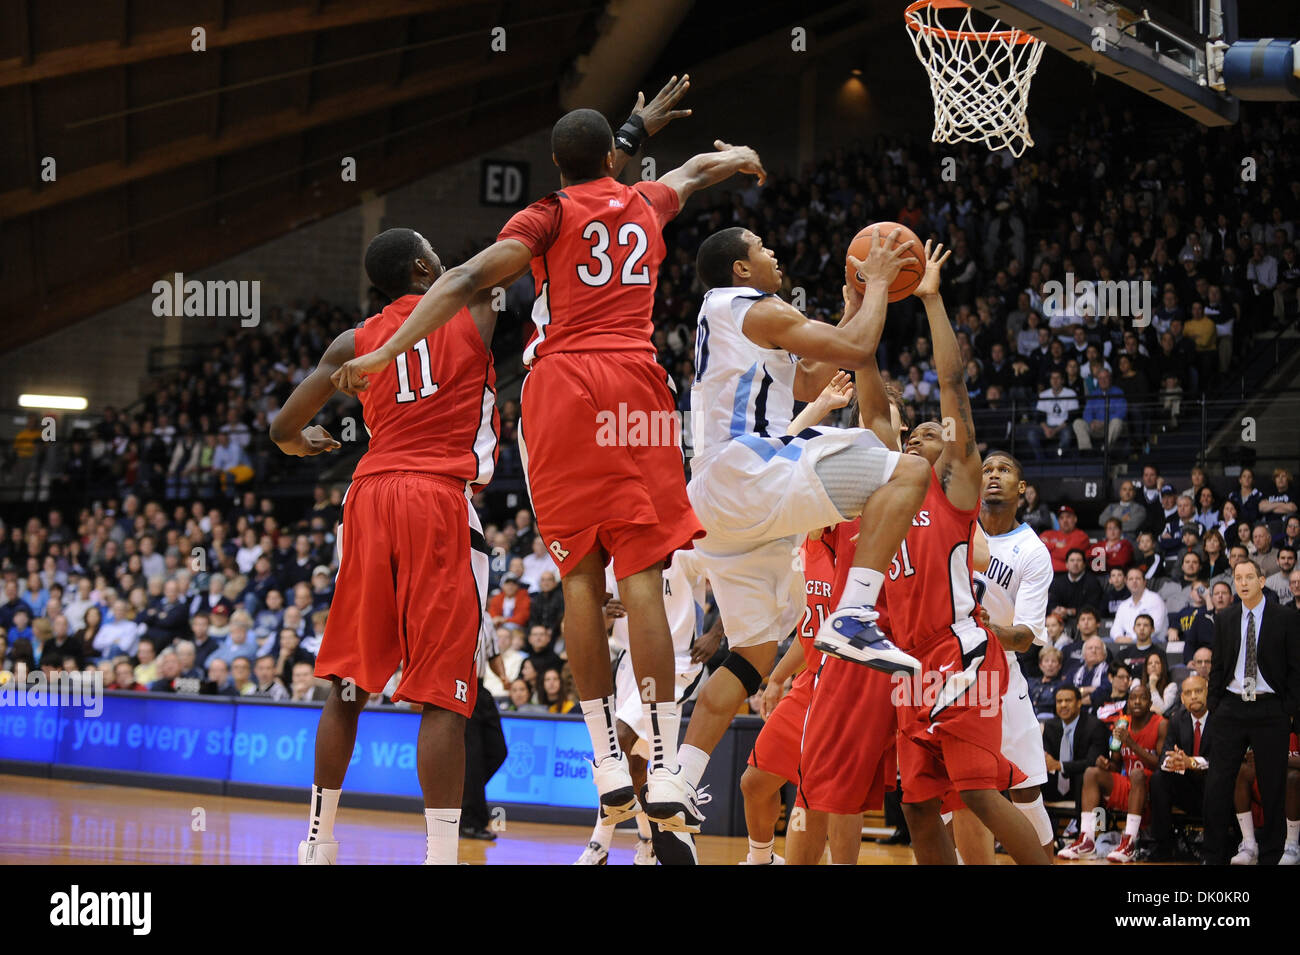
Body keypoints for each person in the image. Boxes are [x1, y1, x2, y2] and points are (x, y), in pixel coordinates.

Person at [332, 93, 763, 831]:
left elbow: (465, 280)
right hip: (638, 387)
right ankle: (660, 764)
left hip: (564, 389)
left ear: (556, 166)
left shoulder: (544, 215)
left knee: (580, 578)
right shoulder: (646, 199)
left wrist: (384, 350)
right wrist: (739, 160)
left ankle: (603, 757)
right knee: (646, 583)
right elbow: (693, 171)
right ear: (610, 158)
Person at [665, 228, 935, 834]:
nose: (776, 255)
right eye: (764, 250)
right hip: (746, 473)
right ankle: (855, 613)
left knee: (753, 653)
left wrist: (848, 309)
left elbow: (813, 379)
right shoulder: (752, 306)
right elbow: (859, 349)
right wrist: (880, 288)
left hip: (719, 504)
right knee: (909, 470)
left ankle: (679, 777)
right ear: (741, 267)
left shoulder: (736, 322)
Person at [271, 228, 503, 866]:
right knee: (443, 693)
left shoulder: (354, 342)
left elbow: (281, 426)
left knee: (349, 678)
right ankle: (439, 854)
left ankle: (318, 841)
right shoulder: (476, 307)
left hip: (368, 495)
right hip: (436, 496)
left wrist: (303, 443)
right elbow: (498, 261)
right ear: (429, 265)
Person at [864, 241, 1046, 866]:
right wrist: (863, 302)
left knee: (979, 792)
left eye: (937, 430)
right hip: (910, 669)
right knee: (916, 805)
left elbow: (952, 382)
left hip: (962, 656)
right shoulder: (885, 491)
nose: (928, 432)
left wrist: (932, 299)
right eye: (917, 432)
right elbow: (868, 397)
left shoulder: (956, 488)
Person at [575, 550, 714, 866]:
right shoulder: (616, 555)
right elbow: (600, 603)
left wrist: (715, 633)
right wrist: (603, 608)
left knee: (618, 744)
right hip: (629, 661)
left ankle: (599, 846)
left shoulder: (684, 550)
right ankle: (649, 843)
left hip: (676, 662)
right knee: (636, 763)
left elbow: (726, 577)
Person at [956, 450, 1057, 864]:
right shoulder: (955, 528)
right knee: (954, 789)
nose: (993, 475)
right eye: (986, 469)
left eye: (1004, 470)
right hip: (947, 670)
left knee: (1026, 788)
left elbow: (1026, 636)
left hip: (999, 672)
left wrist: (986, 629)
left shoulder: (1032, 551)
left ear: (1022, 488)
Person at [1203, 559, 1300, 866]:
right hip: (1230, 707)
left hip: (1270, 708)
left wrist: (1289, 709)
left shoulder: (1285, 617)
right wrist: (1214, 704)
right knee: (1218, 783)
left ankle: (1272, 855)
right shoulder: (1226, 617)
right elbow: (1218, 664)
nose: (1242, 583)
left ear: (1262, 580)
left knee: (1272, 785)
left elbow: (1296, 668)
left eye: (1249, 577)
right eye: (1237, 578)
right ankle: (1213, 855)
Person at [1058, 683, 1166, 862]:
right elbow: (1116, 763)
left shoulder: (1161, 724)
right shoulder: (1122, 723)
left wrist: (1132, 744)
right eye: (1133, 698)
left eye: (1143, 698)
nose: (1137, 702)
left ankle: (1130, 841)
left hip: (1152, 789)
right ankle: (1087, 838)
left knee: (1137, 774)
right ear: (1128, 702)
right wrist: (1107, 765)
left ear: (1150, 702)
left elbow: (1162, 765)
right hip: (1130, 786)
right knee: (1092, 773)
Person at [1150, 674, 1212, 861]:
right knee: (1159, 778)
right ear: (1182, 698)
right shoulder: (1178, 719)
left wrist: (1191, 762)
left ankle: (1215, 848)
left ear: (1208, 693)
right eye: (1188, 693)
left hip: (1215, 788)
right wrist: (1173, 762)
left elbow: (1224, 759)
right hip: (1188, 789)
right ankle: (1164, 845)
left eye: (1198, 691)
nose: (1193, 696)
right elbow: (1165, 753)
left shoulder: (1221, 717)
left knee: (1218, 778)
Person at [1231, 732, 1300, 865]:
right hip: (1270, 781)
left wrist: (1273, 759)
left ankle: (1292, 846)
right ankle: (1249, 845)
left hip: (1292, 787)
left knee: (1293, 778)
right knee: (1242, 771)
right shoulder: (1262, 721)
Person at [1042, 684, 1110, 812]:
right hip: (1056, 783)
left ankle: (1089, 829)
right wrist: (1049, 763)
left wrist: (1060, 765)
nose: (1063, 705)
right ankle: (1037, 830)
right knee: (1025, 780)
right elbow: (1048, 759)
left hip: (1082, 784)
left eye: (1068, 701)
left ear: (1079, 703)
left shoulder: (1095, 726)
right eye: (1059, 701)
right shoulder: (1050, 726)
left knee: (1085, 777)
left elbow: (1092, 763)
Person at [1111, 566, 1167, 643]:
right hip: (1128, 641)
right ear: (1126, 582)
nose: (1134, 581)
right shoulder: (1123, 605)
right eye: (1130, 579)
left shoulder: (1155, 599)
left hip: (1152, 641)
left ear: (1144, 582)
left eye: (1137, 579)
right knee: (1100, 642)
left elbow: (1155, 628)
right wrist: (1118, 637)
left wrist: (1131, 640)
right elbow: (1115, 628)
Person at [1048, 549, 1104, 625]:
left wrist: (1070, 611)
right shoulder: (1057, 582)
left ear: (1084, 564)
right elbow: (1051, 603)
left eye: (1079, 560)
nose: (1075, 563)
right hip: (1060, 620)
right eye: (1072, 560)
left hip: (1085, 621)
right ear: (1066, 564)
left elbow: (1093, 607)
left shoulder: (1092, 582)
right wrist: (1056, 610)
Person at [1040, 506, 1091, 573]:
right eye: (1061, 518)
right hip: (1047, 575)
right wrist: (1055, 545)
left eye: (1068, 517)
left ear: (1075, 519)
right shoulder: (1047, 534)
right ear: (1058, 521)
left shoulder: (1081, 536)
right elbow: (1038, 551)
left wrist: (1048, 546)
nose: (1065, 520)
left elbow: (1067, 554)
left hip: (1069, 575)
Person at [1030, 647, 1067, 718]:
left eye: (1053, 661)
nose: (1050, 664)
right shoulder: (1032, 682)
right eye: (1046, 661)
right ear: (1041, 665)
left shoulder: (1062, 685)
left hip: (1048, 719)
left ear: (1059, 666)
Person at [1142, 649, 1178, 716]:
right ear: (1146, 669)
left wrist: (1153, 687)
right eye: (1150, 663)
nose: (1153, 665)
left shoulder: (1171, 686)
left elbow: (1162, 710)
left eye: (1157, 663)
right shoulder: (1141, 686)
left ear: (1162, 667)